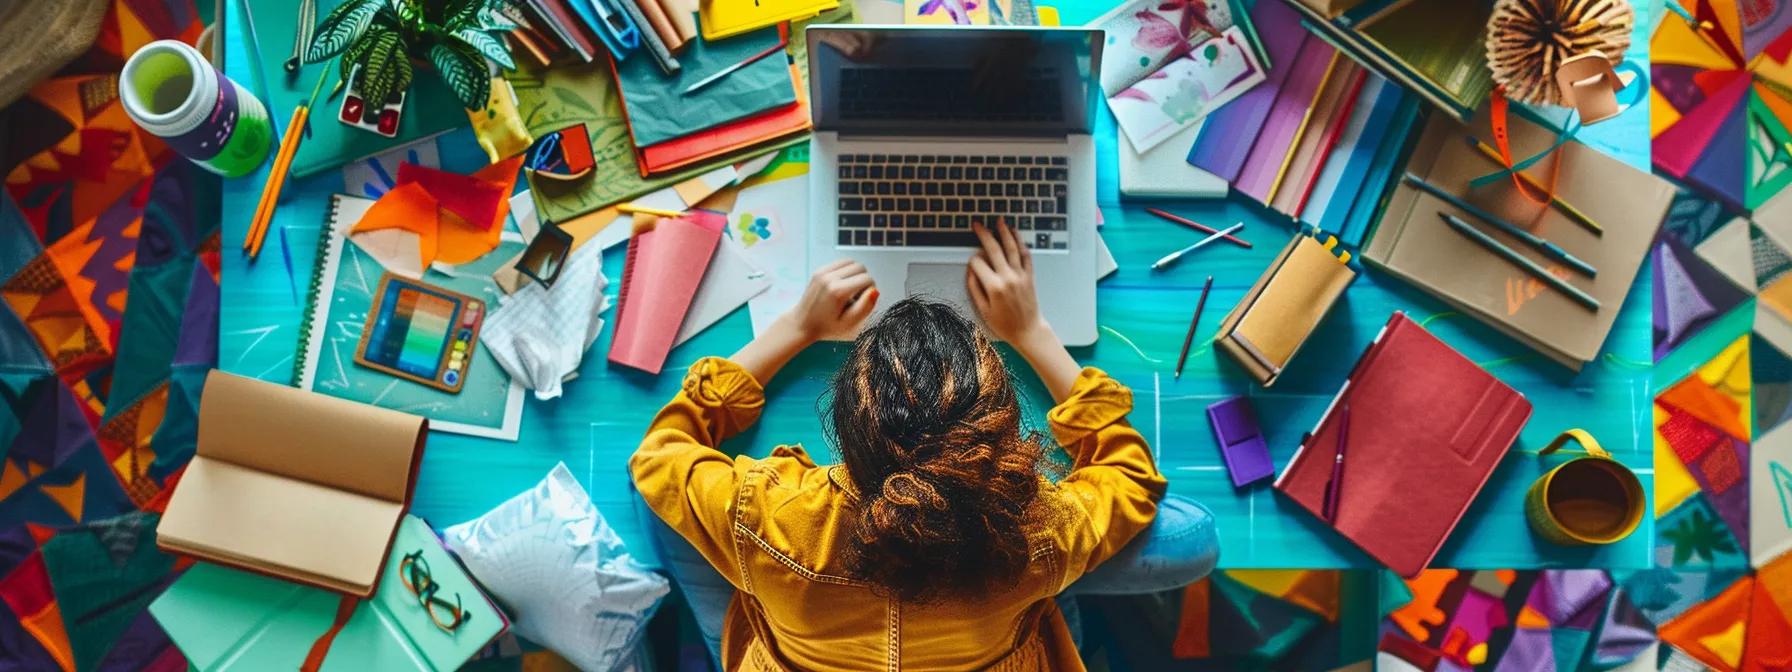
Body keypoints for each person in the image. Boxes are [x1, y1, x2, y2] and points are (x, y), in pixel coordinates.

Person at [631, 222, 1218, 670]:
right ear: (999, 432)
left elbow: (658, 454)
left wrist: (795, 328)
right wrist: (1033, 333)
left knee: (656, 508)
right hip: (1003, 632)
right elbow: (1131, 476)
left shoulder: (766, 515)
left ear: (848, 436)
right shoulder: (1042, 531)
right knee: (1194, 538)